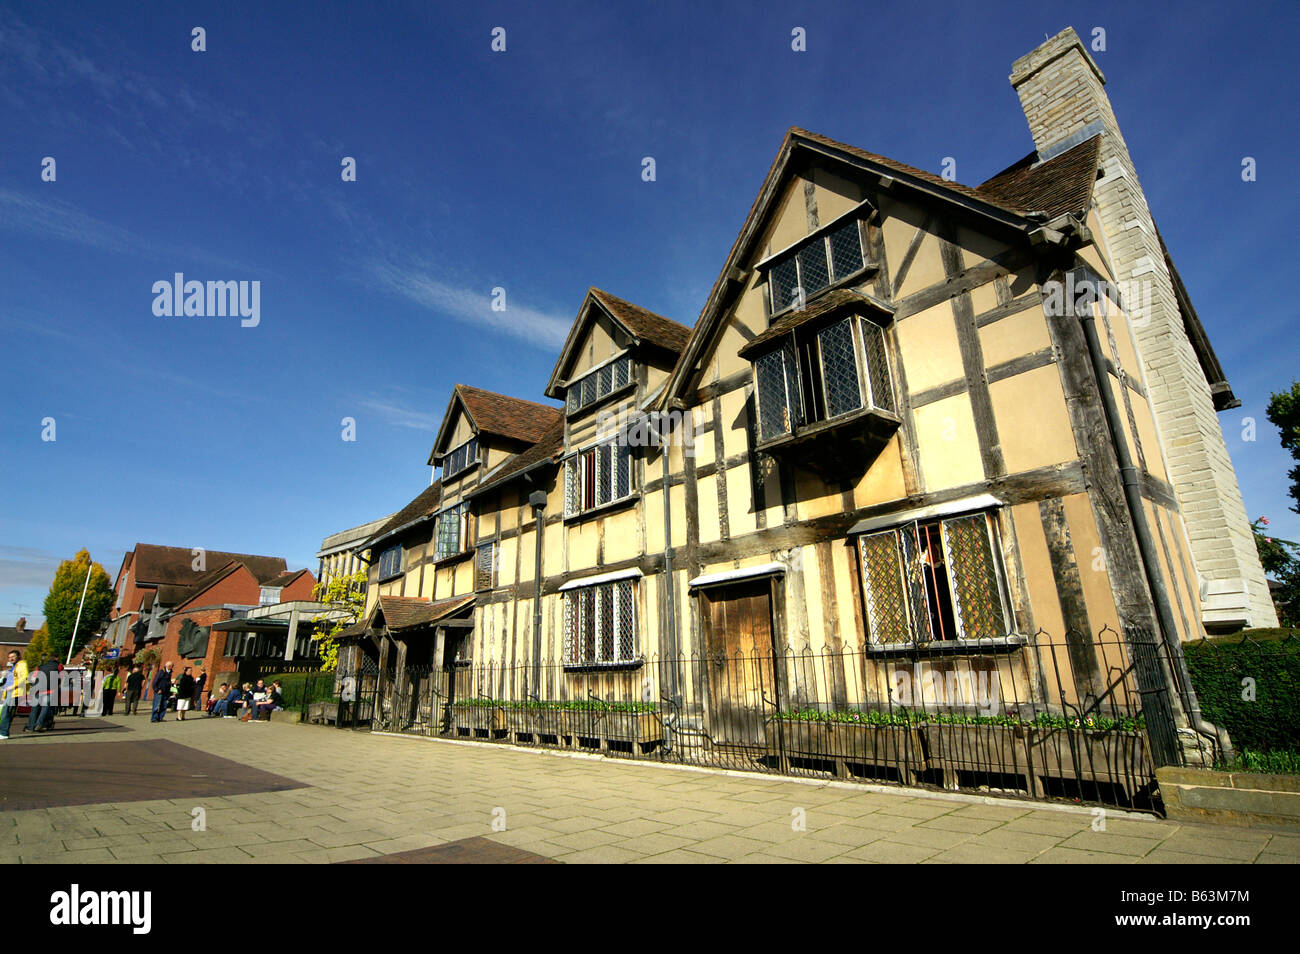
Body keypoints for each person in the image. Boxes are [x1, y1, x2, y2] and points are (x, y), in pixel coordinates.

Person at [0, 649, 27, 740]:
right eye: (9, 657)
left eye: (13, 657)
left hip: (15, 693)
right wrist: (4, 694)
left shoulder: (22, 665)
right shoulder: (14, 666)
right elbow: (10, 680)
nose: (11, 659)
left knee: (6, 713)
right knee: (6, 713)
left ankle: (3, 733)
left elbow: (23, 678)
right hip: (10, 693)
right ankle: (3, 732)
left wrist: (11, 688)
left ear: (18, 656)